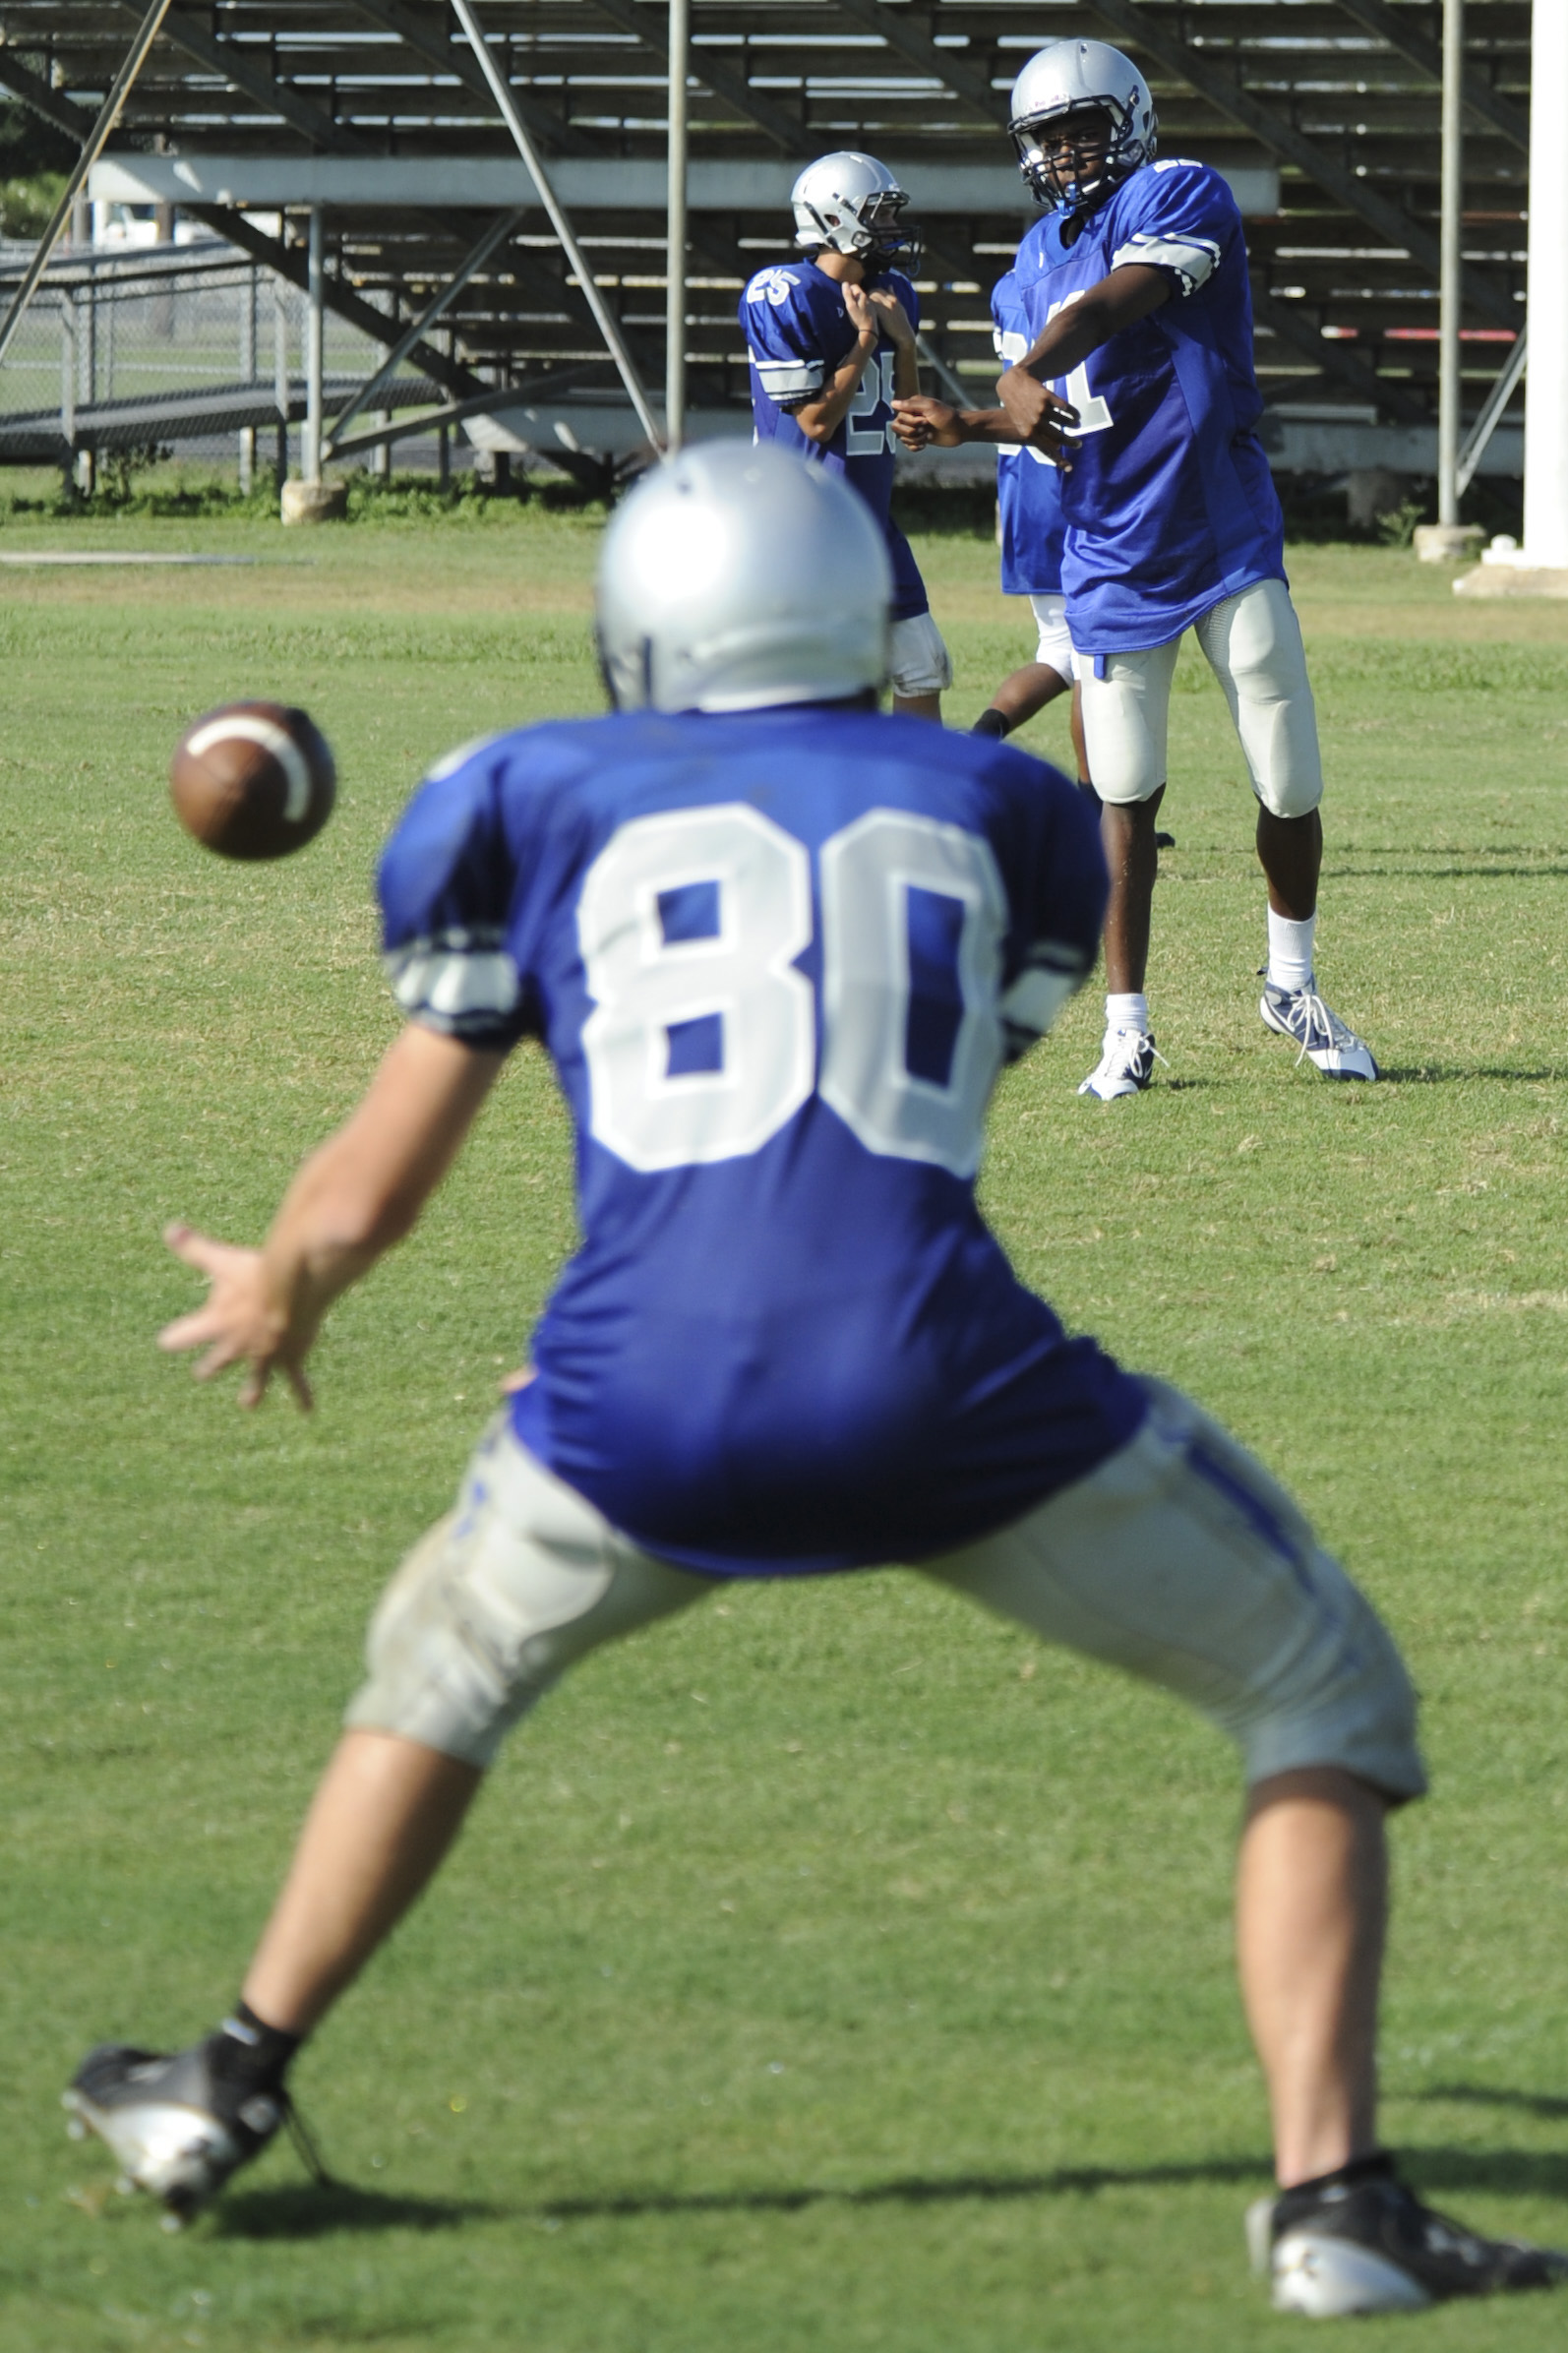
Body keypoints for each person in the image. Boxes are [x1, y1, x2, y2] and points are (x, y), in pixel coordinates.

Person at [64, 445, 1562, 2320]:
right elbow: (903, 1093)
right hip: (940, 1383)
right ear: (853, 616)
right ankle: (1329, 2196)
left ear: (640, 630)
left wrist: (286, 1287)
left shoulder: (523, 791)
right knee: (1312, 1684)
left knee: (435, 1676)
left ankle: (225, 2075)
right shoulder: (998, 810)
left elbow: (370, 1190)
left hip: (628, 1396)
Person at [893, 39, 1378, 1101]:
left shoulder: (1178, 191)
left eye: (1083, 131)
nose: (1067, 154)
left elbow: (1112, 308)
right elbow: (1067, 412)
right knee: (1121, 792)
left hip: (1220, 528)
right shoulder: (1025, 267)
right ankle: (1127, 1030)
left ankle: (1292, 983)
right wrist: (977, 419)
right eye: (1048, 139)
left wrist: (1022, 373)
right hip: (1110, 552)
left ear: (1130, 122)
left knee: (1288, 772)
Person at [739, 149, 950, 720]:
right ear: (836, 220)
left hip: (869, 519)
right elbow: (815, 421)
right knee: (814, 691)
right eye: (880, 215)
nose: (892, 227)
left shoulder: (893, 293)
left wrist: (904, 344)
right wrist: (863, 342)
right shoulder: (787, 292)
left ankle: (910, 780)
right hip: (801, 527)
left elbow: (909, 423)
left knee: (923, 665)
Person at [970, 258, 1089, 780]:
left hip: (1021, 489)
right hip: (1070, 479)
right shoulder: (1086, 284)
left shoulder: (1007, 287)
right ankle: (1097, 801)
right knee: (1093, 659)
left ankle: (977, 740)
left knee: (1059, 650)